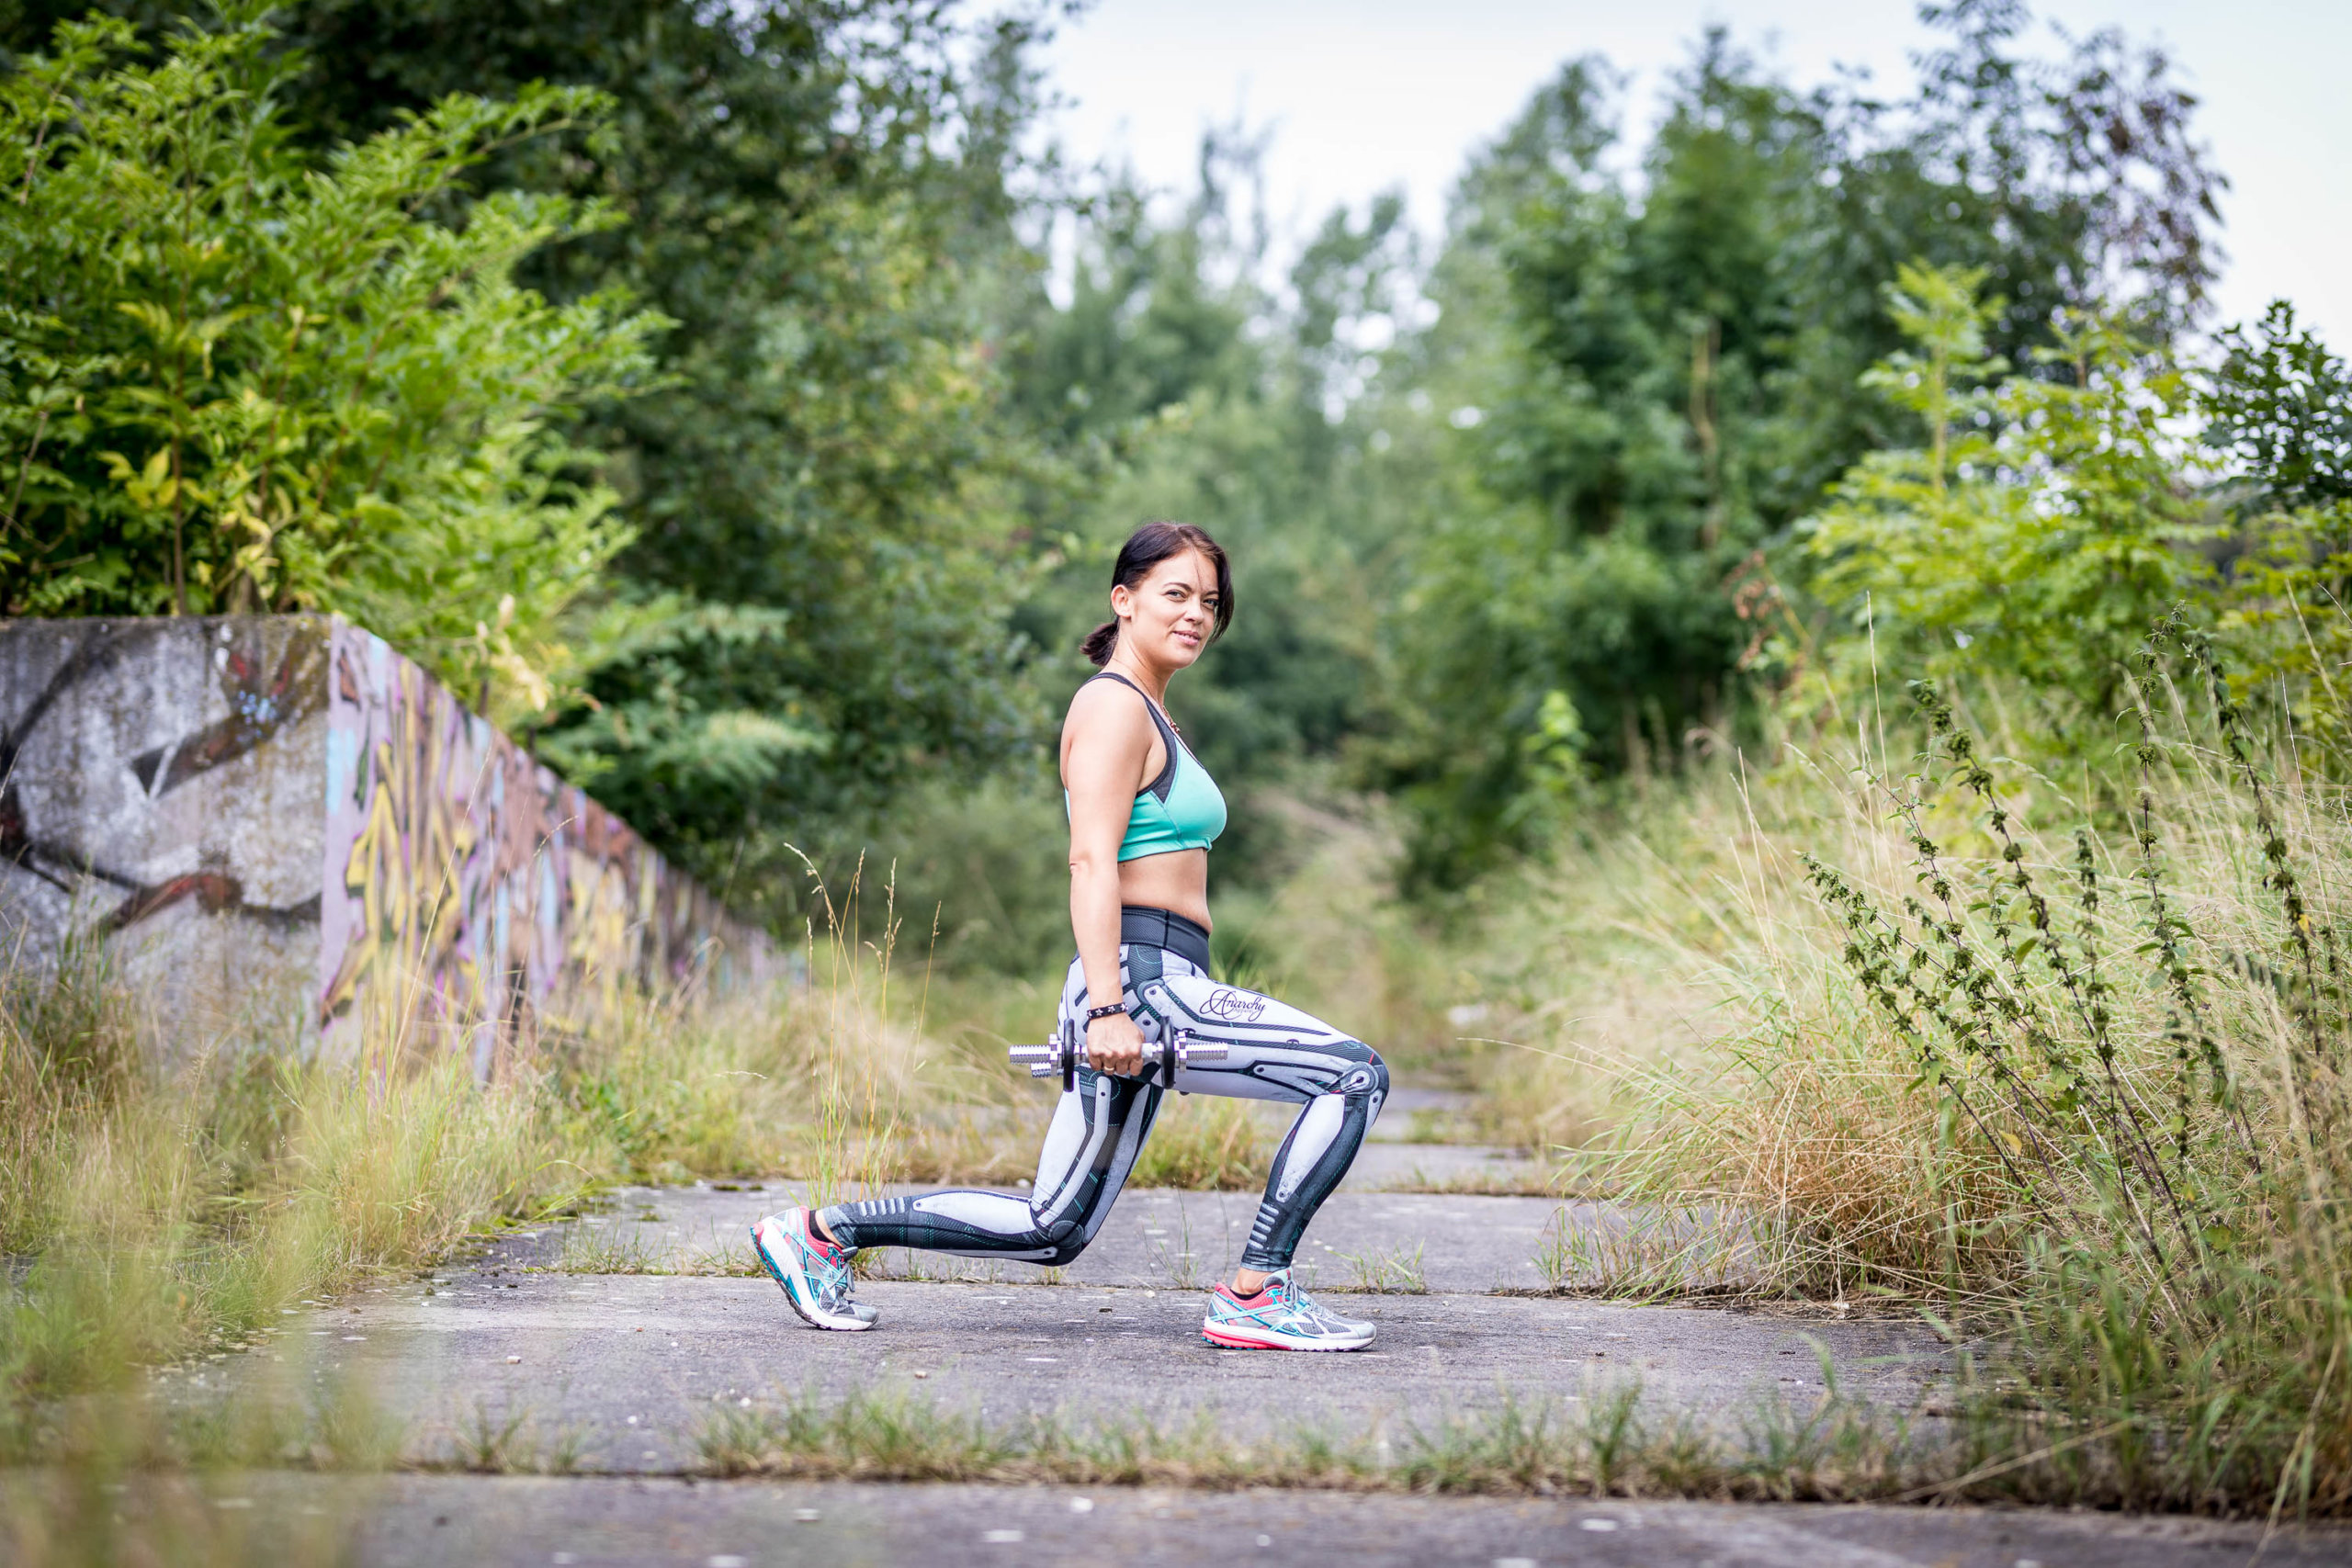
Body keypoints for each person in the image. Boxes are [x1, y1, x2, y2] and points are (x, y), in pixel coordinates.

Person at [751, 521, 1389, 1350]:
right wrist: (1109, 1009)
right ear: (1123, 601)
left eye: (1210, 600)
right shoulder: (1113, 705)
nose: (1197, 613)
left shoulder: (1152, 710)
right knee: (1352, 1076)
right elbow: (1091, 862)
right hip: (1140, 979)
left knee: (1054, 1226)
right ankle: (1257, 1290)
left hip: (1154, 975)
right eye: (1176, 593)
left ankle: (818, 1233)